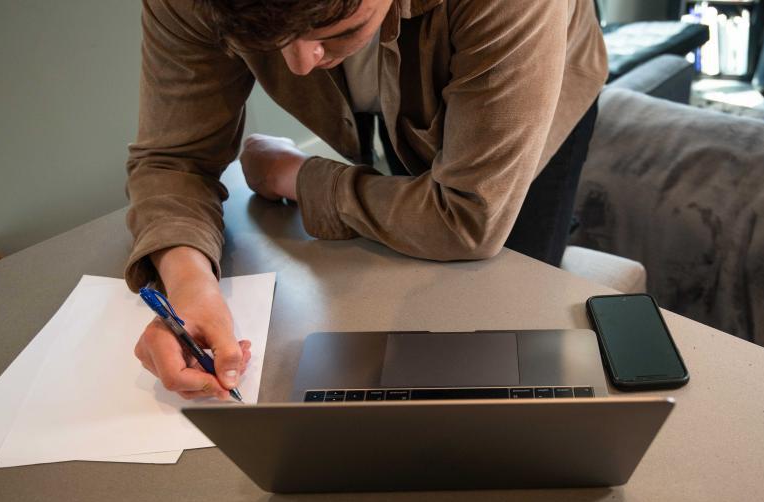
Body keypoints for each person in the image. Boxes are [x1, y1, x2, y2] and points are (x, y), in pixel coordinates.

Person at [128, 0, 608, 400]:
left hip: (530, 59)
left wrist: (296, 177)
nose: (299, 66)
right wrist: (189, 283)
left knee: (508, 331)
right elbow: (174, 160)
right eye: (266, 43)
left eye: (338, 31)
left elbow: (465, 218)